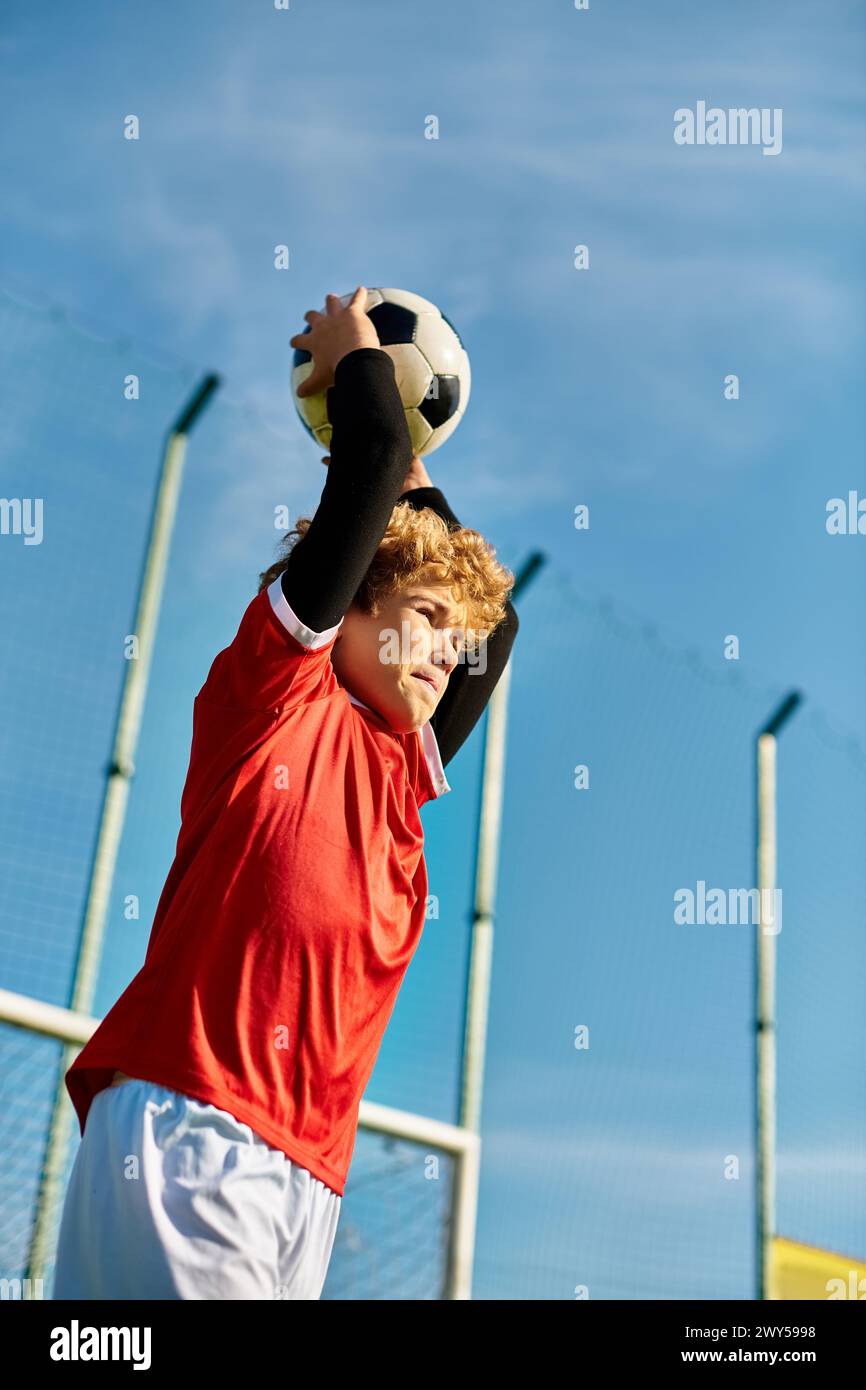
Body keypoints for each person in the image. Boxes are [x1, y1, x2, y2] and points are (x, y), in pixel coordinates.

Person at [53, 286, 520, 1300]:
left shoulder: (399, 774)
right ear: (348, 604)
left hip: (306, 1177)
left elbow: (499, 634)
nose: (448, 649)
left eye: (453, 633)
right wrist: (366, 375)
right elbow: (357, 488)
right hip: (193, 1131)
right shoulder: (272, 696)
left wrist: (409, 456)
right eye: (424, 613)